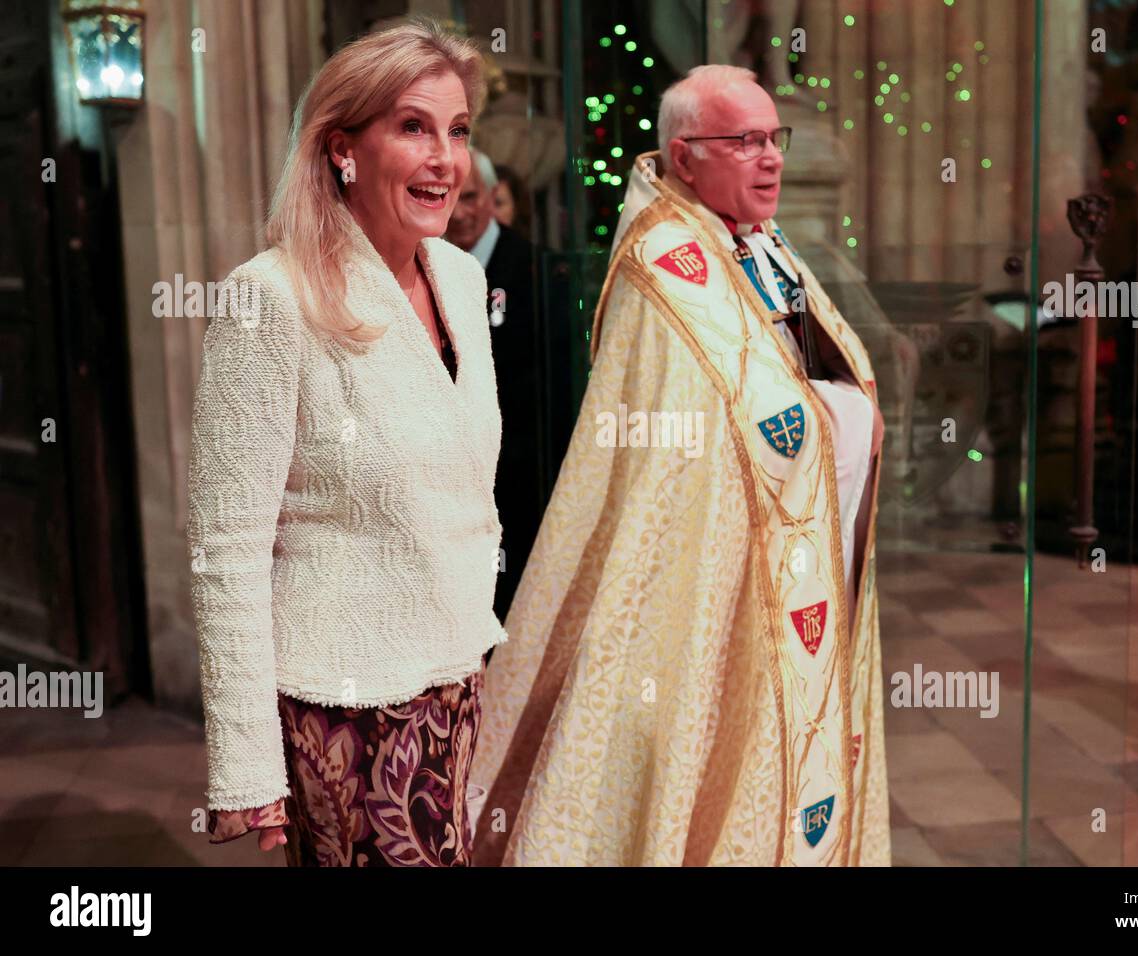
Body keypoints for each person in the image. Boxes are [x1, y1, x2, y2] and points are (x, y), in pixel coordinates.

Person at [472, 64, 889, 866]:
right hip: (705, 580)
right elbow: (701, 442)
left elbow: (810, 367)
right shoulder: (664, 264)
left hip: (786, 558)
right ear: (685, 155)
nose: (770, 158)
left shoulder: (761, 243)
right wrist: (834, 417)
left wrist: (844, 409)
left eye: (775, 138)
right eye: (746, 141)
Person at [187, 20, 505, 867]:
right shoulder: (269, 299)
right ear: (341, 150)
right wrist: (249, 766)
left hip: (455, 679)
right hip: (343, 701)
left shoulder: (464, 282)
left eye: (458, 130)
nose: (446, 158)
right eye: (413, 127)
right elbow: (227, 549)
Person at [447, 148, 571, 618]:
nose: (459, 212)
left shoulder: (539, 271)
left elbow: (554, 389)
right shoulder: (417, 268)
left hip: (521, 483)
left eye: (472, 197)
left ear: (495, 196)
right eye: (451, 197)